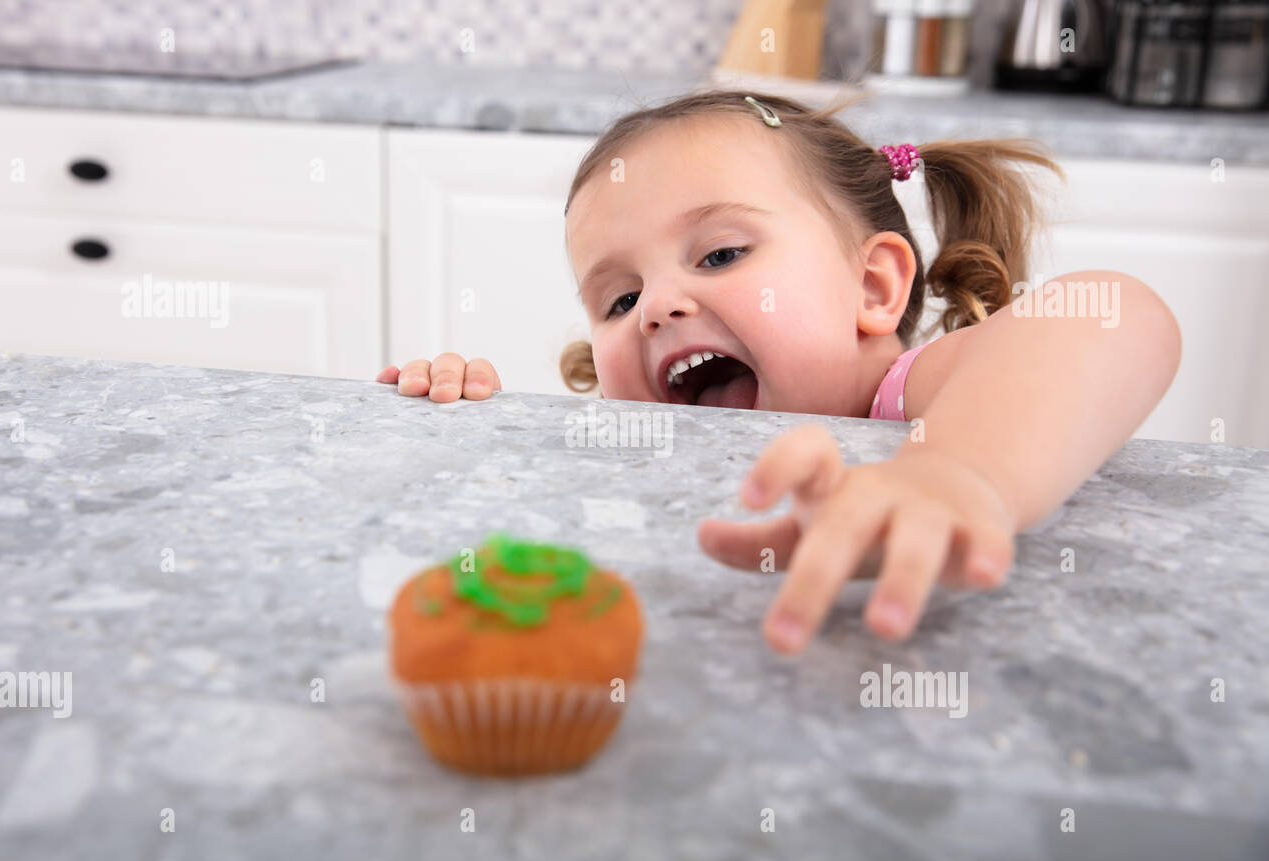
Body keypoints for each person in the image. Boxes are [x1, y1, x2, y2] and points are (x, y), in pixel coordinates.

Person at [376, 90, 1181, 652]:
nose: (656, 306)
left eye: (721, 254)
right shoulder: (647, 430)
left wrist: (958, 474)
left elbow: (1113, 317)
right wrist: (468, 417)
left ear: (872, 287)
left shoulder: (917, 399)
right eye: (619, 300)